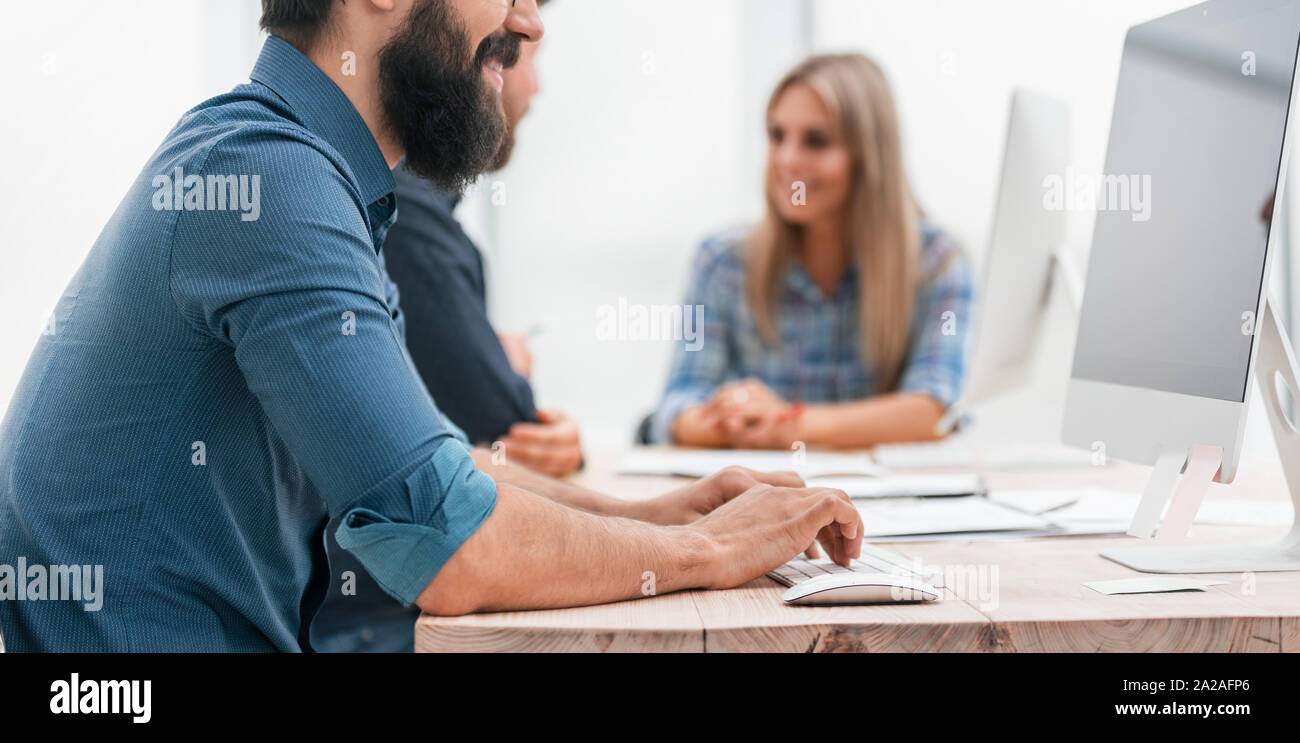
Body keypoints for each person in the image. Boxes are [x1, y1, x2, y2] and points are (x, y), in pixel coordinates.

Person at [0, 0, 861, 652]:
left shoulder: (310, 175)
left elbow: (438, 475)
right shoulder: (269, 179)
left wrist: (667, 516)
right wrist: (707, 551)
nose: (528, 21)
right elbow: (453, 549)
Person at [650, 53, 974, 451]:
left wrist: (790, 422)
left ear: (869, 157)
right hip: (762, 498)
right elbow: (677, 407)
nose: (787, 159)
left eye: (816, 141)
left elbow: (937, 411)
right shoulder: (721, 261)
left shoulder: (937, 262)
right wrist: (739, 416)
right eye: (776, 136)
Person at [381, 26, 584, 479]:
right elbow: (503, 425)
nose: (536, 85)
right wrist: (508, 366)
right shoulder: (406, 215)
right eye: (525, 55)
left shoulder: (412, 208)